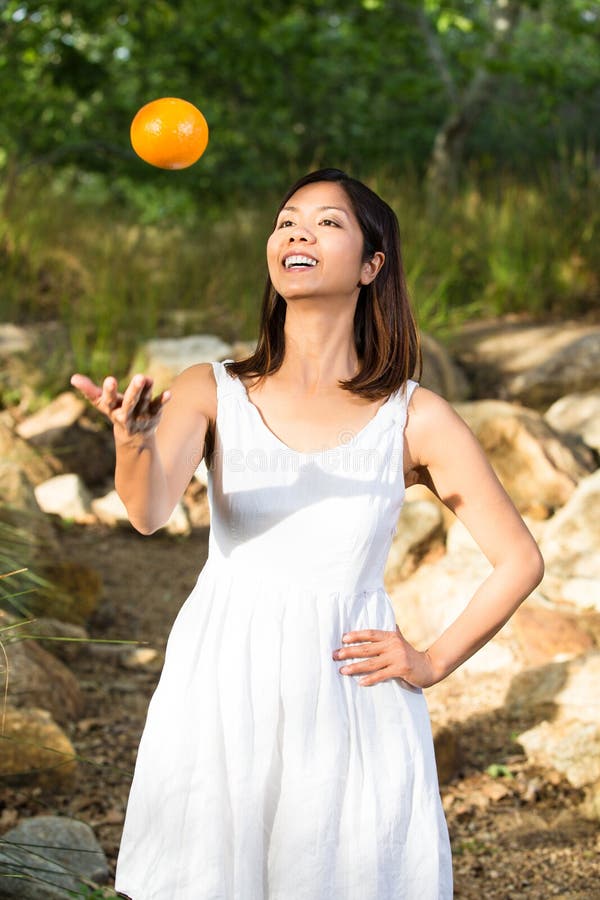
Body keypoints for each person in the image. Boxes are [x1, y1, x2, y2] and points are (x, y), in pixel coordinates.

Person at [71, 167, 544, 900]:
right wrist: (131, 441)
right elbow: (148, 512)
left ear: (370, 265)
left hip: (348, 691)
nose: (297, 231)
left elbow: (519, 559)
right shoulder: (211, 388)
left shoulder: (415, 417)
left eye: (328, 222)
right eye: (288, 218)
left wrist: (431, 661)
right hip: (223, 675)